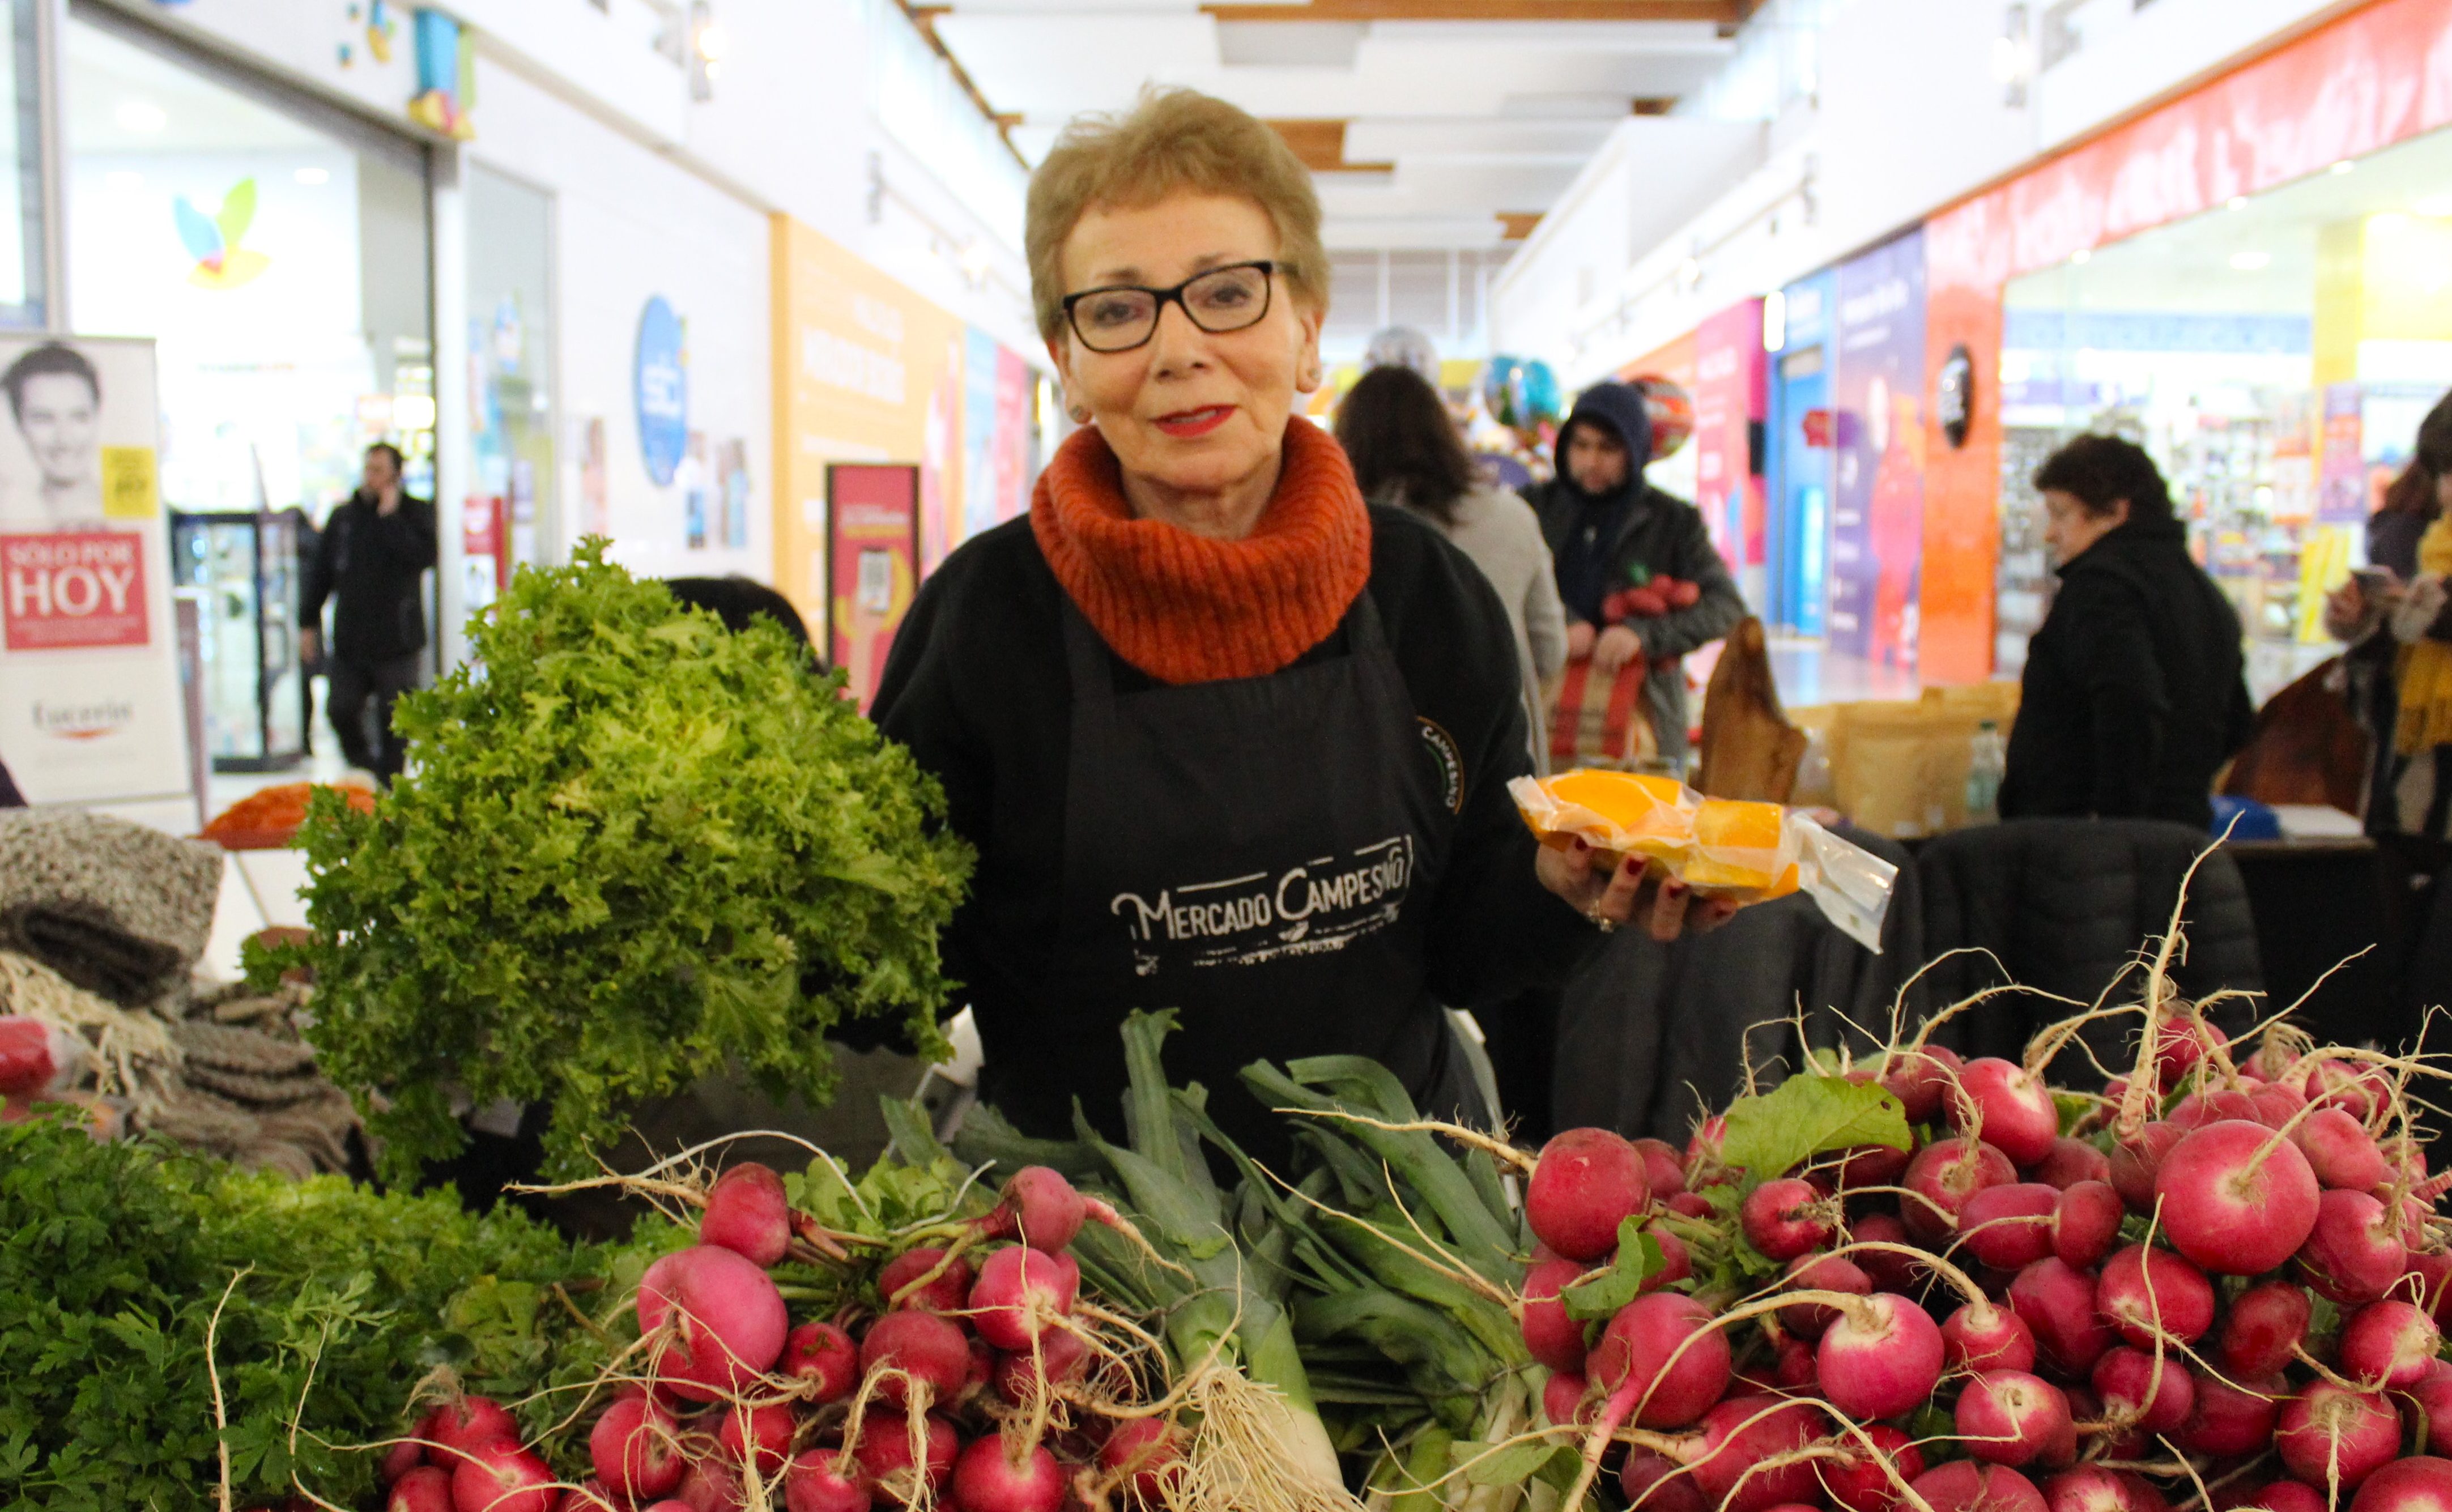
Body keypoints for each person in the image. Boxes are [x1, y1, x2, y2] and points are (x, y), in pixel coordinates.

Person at [871, 88, 1732, 1161]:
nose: (1179, 349)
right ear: (1069, 362)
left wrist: (1561, 888)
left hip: (1401, 1234)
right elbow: (896, 980)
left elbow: (1466, 949)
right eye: (1118, 309)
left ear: (1307, 328)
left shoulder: (1429, 597)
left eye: (1227, 293)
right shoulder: (981, 624)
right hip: (1082, 1265)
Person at [1998, 433, 2253, 829]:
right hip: (2186, 835)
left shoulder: (2101, 588)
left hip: (2085, 849)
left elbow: (2130, 698)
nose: (2051, 533)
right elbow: (2238, 720)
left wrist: (2116, 820)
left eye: (2061, 513)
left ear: (2117, 512)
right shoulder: (2204, 592)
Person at [1334, 363, 1568, 772]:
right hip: (1505, 758)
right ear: (1444, 432)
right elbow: (1550, 650)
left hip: (1384, 764)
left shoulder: (1344, 531)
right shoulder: (1513, 516)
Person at [1526, 381, 1744, 766]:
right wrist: (1559, 624)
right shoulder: (1530, 510)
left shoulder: (1674, 522)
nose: (1591, 461)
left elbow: (1727, 607)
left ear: (1635, 450)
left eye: (1608, 448)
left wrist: (1642, 635)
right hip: (1543, 710)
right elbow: (1500, 591)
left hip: (1644, 721)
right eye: (1581, 445)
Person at [299, 443, 437, 783]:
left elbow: (422, 557)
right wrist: (307, 622)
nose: (372, 477)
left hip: (398, 641)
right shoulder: (345, 518)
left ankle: (390, 785)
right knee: (340, 709)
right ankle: (365, 769)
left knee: (396, 721)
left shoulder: (415, 513)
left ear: (395, 474)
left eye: (379, 470)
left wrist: (390, 519)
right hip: (351, 639)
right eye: (368, 469)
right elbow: (322, 574)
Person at [2, 343, 103, 527]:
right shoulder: (10, 519)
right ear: (20, 424)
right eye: (44, 419)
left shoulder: (131, 520)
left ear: (97, 417)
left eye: (78, 417)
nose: (64, 439)